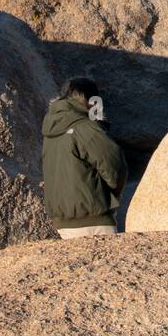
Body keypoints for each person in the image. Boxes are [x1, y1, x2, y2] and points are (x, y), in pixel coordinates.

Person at [41, 77, 128, 238]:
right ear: (89, 99)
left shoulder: (51, 128)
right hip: (94, 219)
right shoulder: (85, 126)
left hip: (62, 222)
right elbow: (114, 164)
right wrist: (112, 194)